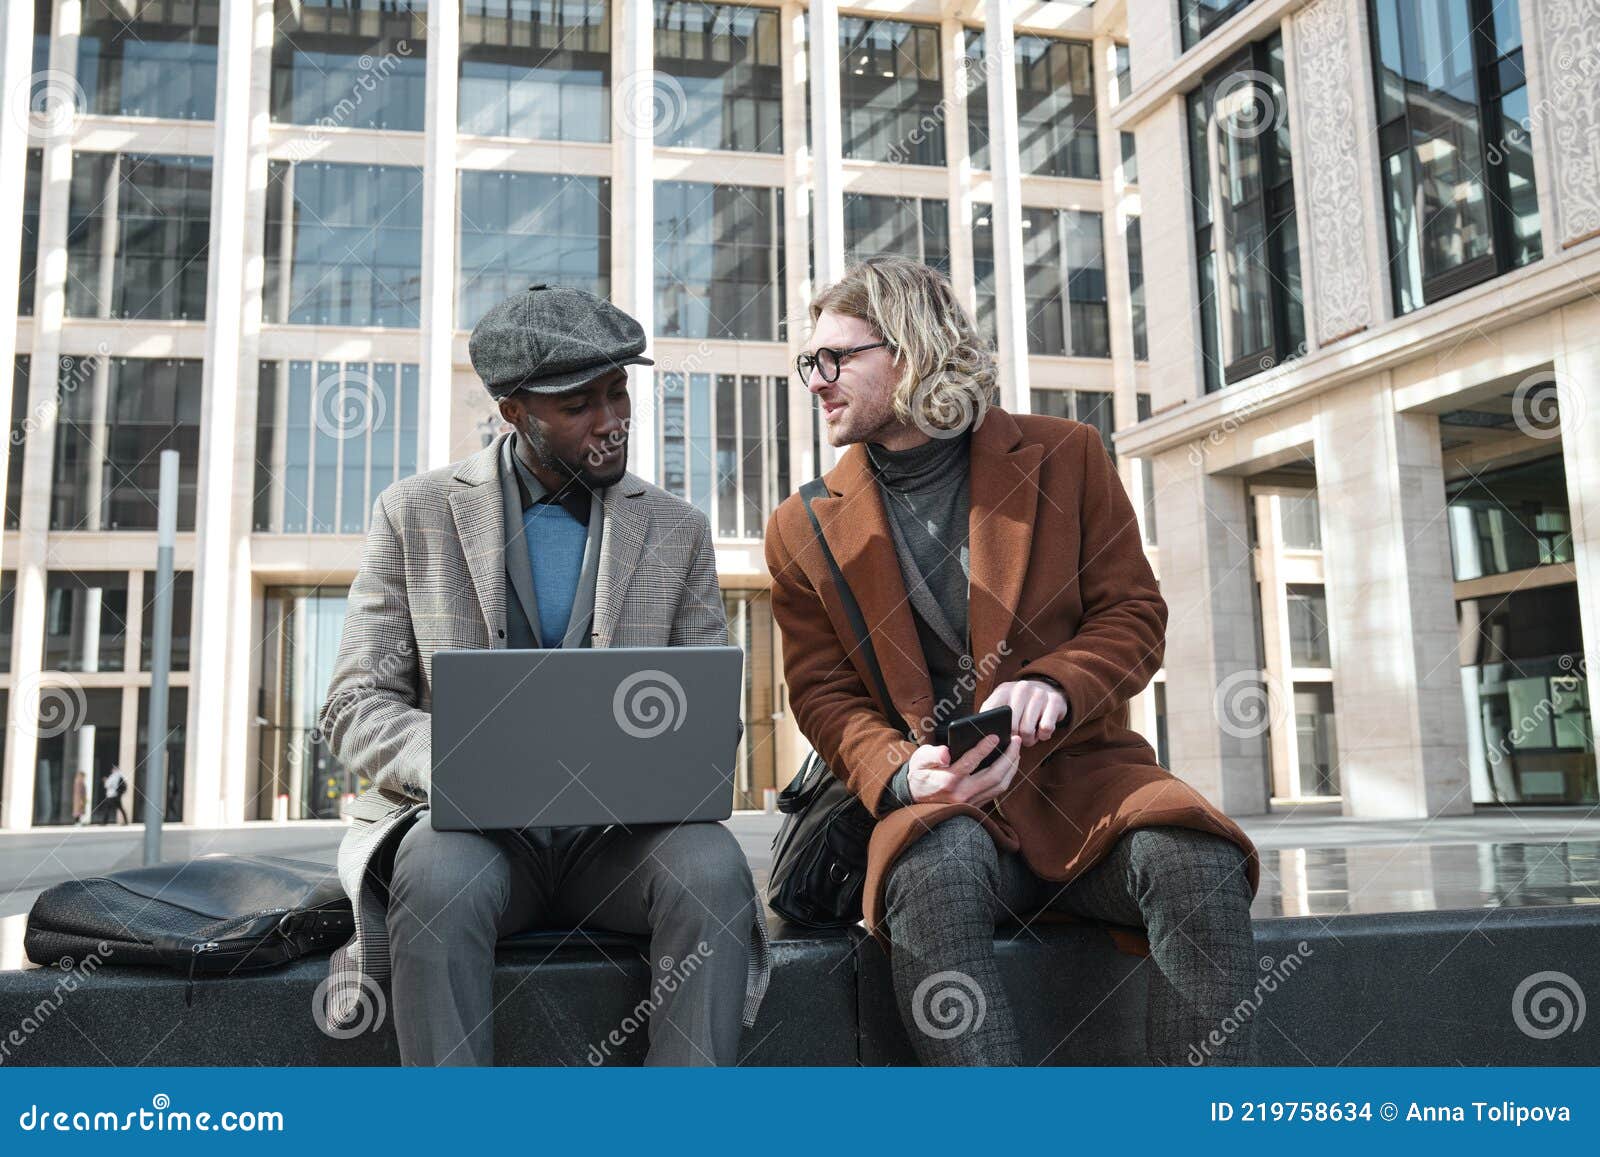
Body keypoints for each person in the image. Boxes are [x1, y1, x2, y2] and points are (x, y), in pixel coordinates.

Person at [765, 257, 1261, 1066]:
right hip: (940, 806)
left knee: (1197, 860)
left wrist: (1055, 681)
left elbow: (1135, 615)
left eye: (836, 359)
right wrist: (903, 773)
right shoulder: (803, 525)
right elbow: (822, 694)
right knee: (937, 874)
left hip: (1086, 789)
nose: (816, 380)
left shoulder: (1068, 455)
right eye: (808, 363)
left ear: (913, 351)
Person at [318, 285, 767, 1066]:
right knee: (434, 871)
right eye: (580, 404)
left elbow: (708, 718)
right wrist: (454, 758)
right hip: (478, 841)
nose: (611, 419)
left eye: (618, 391)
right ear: (514, 411)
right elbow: (354, 705)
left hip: (618, 848)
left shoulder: (678, 530)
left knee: (714, 866)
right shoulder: (412, 513)